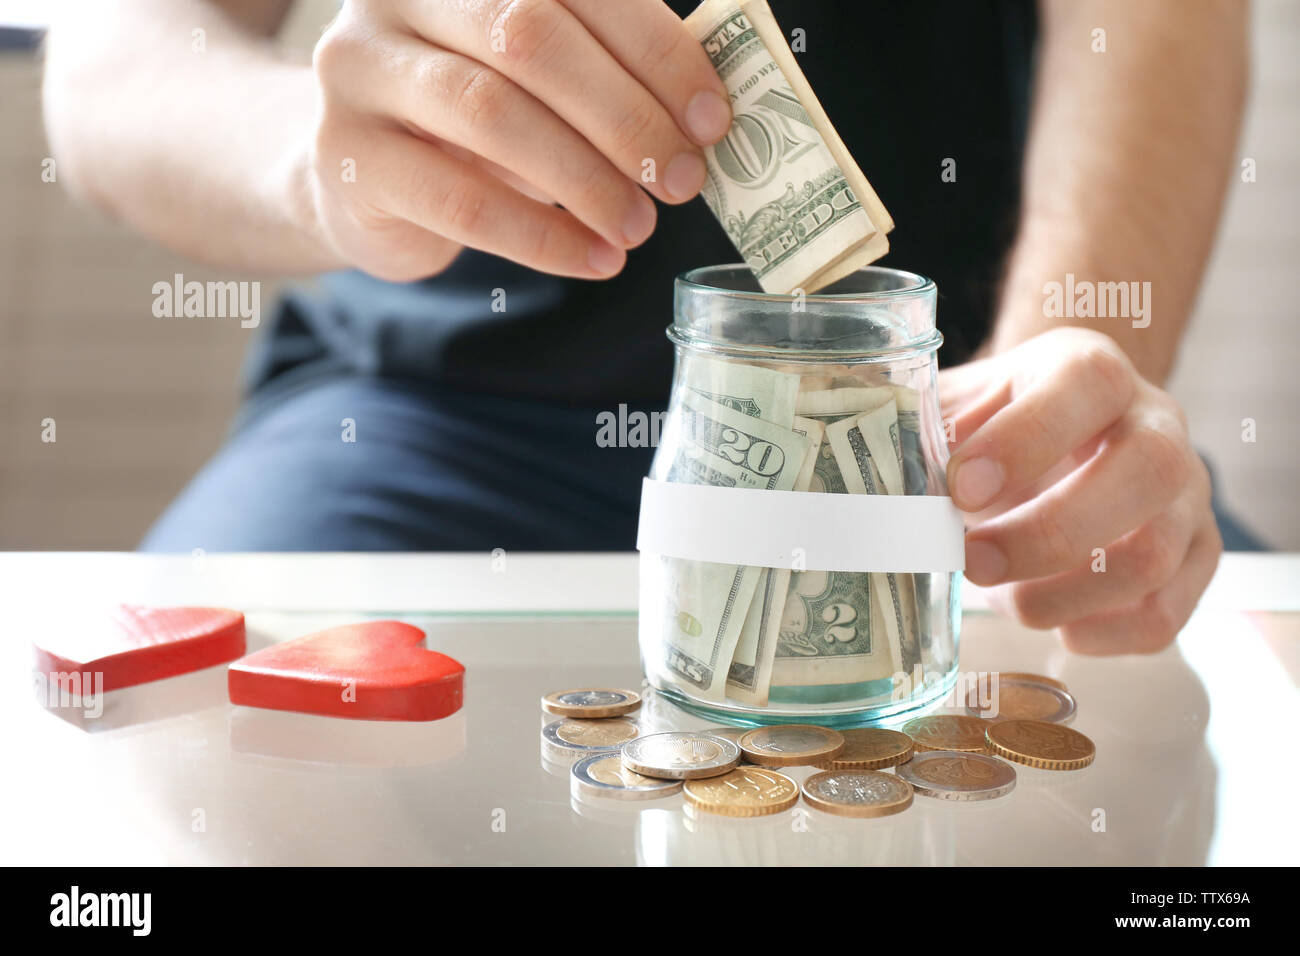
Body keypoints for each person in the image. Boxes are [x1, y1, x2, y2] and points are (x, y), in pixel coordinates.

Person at [43, 0, 1249, 654]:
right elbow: (113, 50)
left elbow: (1156, 19)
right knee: (177, 761)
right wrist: (315, 160)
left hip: (920, 428)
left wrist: (1044, 426)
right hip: (427, 419)